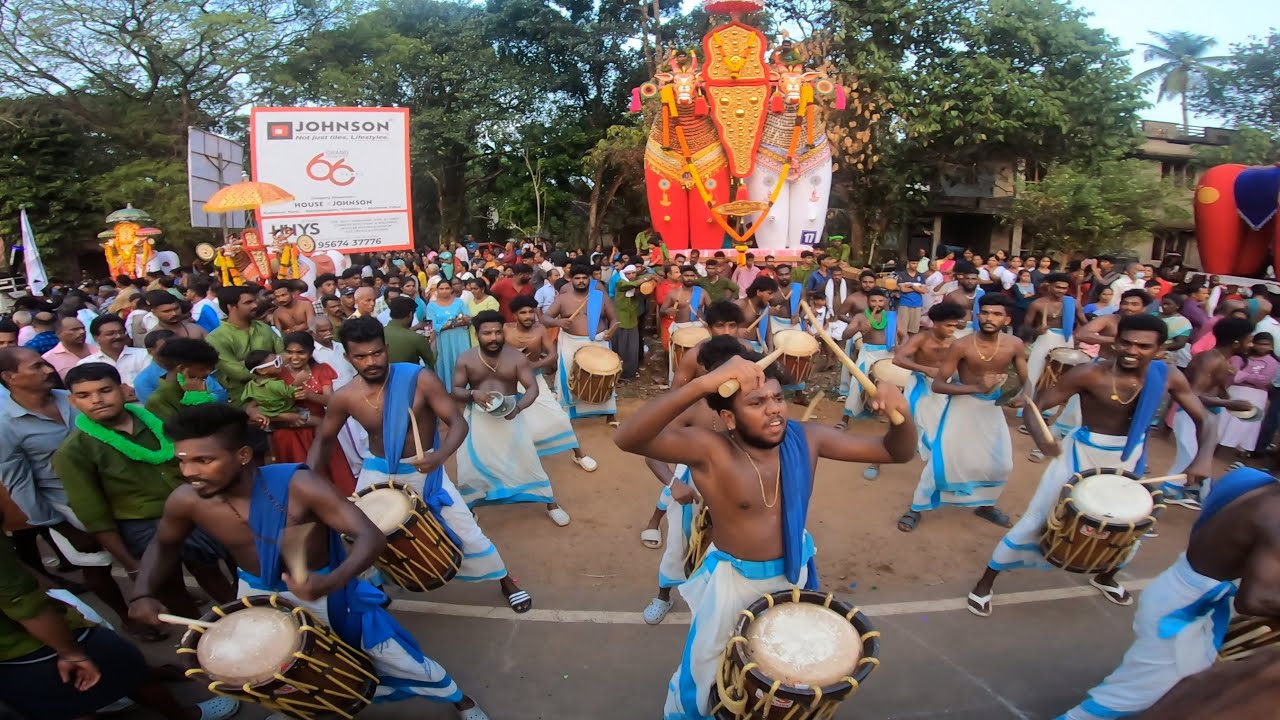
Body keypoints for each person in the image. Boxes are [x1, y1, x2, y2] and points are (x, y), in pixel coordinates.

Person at [614, 336, 916, 719]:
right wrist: (702, 384)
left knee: (790, 682)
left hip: (795, 574)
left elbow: (896, 451)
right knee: (707, 674)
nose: (774, 411)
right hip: (734, 584)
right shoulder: (711, 450)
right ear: (728, 418)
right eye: (756, 403)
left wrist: (900, 414)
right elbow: (627, 438)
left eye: (777, 398)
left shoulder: (807, 438)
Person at [127, 404, 491, 720]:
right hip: (257, 591)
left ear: (241, 455)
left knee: (398, 659)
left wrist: (331, 583)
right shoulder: (185, 500)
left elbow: (370, 536)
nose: (190, 471)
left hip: (329, 591)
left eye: (204, 460)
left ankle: (459, 699)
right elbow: (165, 544)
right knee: (274, 673)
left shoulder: (300, 486)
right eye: (183, 461)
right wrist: (142, 592)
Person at [967, 315, 1214, 616]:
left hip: (1129, 458)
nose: (1132, 351)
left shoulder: (1169, 376)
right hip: (1080, 454)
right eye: (1126, 342)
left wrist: (1202, 459)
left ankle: (1106, 575)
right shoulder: (1089, 373)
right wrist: (1040, 438)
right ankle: (986, 582)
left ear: (1161, 348)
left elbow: (1206, 419)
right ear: (1116, 340)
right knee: (1038, 517)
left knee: (1128, 523)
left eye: (1144, 346)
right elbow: (1036, 406)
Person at [308, 316, 532, 612]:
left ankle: (505, 581)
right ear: (348, 357)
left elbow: (456, 424)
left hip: (424, 468)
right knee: (361, 533)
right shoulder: (344, 397)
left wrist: (439, 457)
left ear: (386, 348)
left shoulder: (418, 379)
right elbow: (324, 440)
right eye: (360, 357)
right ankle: (376, 589)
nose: (371, 361)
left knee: (465, 528)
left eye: (377, 353)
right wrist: (308, 481)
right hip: (376, 471)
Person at [1054, 466, 1280, 719]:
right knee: (1122, 700)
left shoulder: (1250, 479)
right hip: (1181, 615)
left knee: (1174, 685)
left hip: (1179, 595)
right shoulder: (1275, 517)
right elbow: (1253, 600)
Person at [0, 347, 158, 639]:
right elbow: (18, 482)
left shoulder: (71, 399)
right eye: (36, 367)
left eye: (45, 364)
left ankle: (155, 596)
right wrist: (58, 526)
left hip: (117, 493)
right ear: (9, 377)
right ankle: (128, 617)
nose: (48, 370)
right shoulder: (4, 423)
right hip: (66, 506)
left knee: (140, 551)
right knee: (97, 565)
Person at [0, 529, 239, 720]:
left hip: (15, 652)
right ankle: (182, 715)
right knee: (124, 669)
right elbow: (22, 602)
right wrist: (71, 653)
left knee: (112, 676)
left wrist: (53, 593)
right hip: (27, 645)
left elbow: (17, 571)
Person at [55, 363, 234, 613]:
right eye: (84, 395)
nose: (97, 400)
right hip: (141, 525)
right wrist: (129, 563)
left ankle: (244, 620)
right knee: (171, 591)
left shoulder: (156, 422)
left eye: (105, 390)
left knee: (213, 573)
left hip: (191, 511)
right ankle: (196, 641)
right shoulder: (73, 451)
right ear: (73, 401)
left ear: (123, 389)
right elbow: (94, 515)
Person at [919, 294, 1029, 529]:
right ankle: (916, 507)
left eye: (997, 314)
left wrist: (1021, 396)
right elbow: (939, 384)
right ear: (978, 315)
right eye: (986, 312)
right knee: (944, 460)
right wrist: (975, 387)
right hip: (962, 406)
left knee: (1000, 464)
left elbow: (1025, 380)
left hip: (992, 409)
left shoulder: (1014, 344)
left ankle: (987, 505)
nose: (990, 318)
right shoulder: (962, 344)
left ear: (1007, 319)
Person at [451, 311, 570, 526]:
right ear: (476, 333)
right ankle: (470, 508)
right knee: (470, 467)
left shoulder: (516, 357)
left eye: (498, 332)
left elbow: (532, 388)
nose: (493, 337)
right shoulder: (466, 359)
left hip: (511, 415)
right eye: (487, 333)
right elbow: (456, 390)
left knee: (528, 460)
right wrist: (473, 394)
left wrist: (519, 407)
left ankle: (550, 502)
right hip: (478, 419)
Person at [892, 301, 968, 532]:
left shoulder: (957, 342)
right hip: (920, 386)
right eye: (948, 325)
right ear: (935, 323)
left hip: (943, 389)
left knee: (939, 436)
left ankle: (937, 476)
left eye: (955, 325)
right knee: (903, 423)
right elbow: (898, 358)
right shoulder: (922, 339)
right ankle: (879, 459)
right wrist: (926, 370)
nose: (952, 329)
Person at [1165, 317, 1257, 508]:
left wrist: (1230, 403)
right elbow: (1193, 394)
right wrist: (1230, 403)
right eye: (1249, 339)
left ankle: (1198, 493)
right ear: (1236, 342)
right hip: (1192, 415)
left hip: (1206, 415)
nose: (1252, 344)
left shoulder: (1222, 360)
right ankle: (1166, 491)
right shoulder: (1210, 360)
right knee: (1190, 456)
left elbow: (1216, 389)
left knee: (1199, 455)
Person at [504, 295, 597, 470]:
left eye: (531, 312)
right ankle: (514, 461)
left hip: (535, 380)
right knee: (512, 421)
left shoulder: (540, 330)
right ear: (515, 315)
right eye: (523, 312)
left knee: (559, 417)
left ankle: (579, 455)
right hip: (508, 382)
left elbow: (552, 355)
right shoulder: (504, 330)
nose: (528, 316)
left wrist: (533, 365)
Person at [277, 332, 359, 495]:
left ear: (310, 352)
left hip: (319, 432)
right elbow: (269, 404)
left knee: (333, 478)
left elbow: (330, 401)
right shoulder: (277, 374)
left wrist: (309, 395)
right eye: (290, 352)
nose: (295, 357)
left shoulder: (321, 370)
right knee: (298, 480)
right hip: (289, 433)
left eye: (300, 352)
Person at [543, 264, 619, 424]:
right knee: (571, 376)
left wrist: (612, 330)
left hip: (597, 342)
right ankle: (570, 413)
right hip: (571, 343)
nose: (581, 281)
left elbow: (613, 318)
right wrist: (558, 322)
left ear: (589, 279)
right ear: (571, 280)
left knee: (604, 376)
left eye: (585, 278)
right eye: (577, 278)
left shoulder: (600, 296)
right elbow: (545, 318)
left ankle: (609, 413)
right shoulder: (563, 299)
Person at [838, 289, 906, 438]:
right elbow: (844, 335)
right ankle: (845, 418)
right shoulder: (861, 317)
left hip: (888, 354)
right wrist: (858, 328)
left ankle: (893, 421)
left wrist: (900, 347)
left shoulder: (891, 317)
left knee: (893, 386)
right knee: (857, 383)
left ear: (885, 302)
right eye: (874, 301)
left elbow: (904, 336)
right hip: (868, 353)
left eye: (881, 301)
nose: (878, 304)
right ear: (867, 302)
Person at [205, 286, 283, 405]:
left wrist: (249, 364)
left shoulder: (264, 328)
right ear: (231, 307)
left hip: (278, 391)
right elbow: (239, 373)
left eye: (254, 301)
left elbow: (284, 357)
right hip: (243, 398)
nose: (255, 306)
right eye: (248, 303)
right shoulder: (216, 338)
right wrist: (273, 366)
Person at [1023, 272, 1084, 396]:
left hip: (1067, 339)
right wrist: (1037, 331)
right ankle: (1026, 400)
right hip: (1045, 338)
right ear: (1049, 286)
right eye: (1058, 287)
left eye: (1064, 288)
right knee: (1035, 369)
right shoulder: (1037, 304)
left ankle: (1049, 406)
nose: (1061, 291)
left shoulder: (1072, 303)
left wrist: (1077, 335)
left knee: (1059, 373)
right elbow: (1025, 327)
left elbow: (1084, 322)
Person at [1217, 332, 1278, 454]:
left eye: (1266, 344)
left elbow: (1264, 380)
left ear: (1271, 347)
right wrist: (1250, 377)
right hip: (1235, 390)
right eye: (1259, 344)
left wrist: (1242, 375)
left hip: (1256, 395)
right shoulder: (1241, 357)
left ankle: (1241, 452)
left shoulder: (1272, 362)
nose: (1262, 347)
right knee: (1224, 419)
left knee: (1246, 423)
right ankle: (1215, 446)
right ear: (1253, 344)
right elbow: (1232, 373)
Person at [143, 338, 227, 421]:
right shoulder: (158, 400)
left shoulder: (200, 383)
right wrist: (196, 396)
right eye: (203, 369)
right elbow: (193, 426)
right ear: (182, 368)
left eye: (211, 368)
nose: (209, 372)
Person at [671, 301, 747, 388]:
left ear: (738, 328)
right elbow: (674, 393)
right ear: (709, 329)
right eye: (720, 326)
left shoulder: (746, 350)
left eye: (732, 326)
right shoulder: (694, 356)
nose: (727, 332)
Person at [661, 265, 710, 386]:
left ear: (695, 277)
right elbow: (662, 311)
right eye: (686, 276)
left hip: (699, 330)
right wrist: (667, 311)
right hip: (680, 329)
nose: (689, 278)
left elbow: (712, 310)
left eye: (692, 276)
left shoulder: (702, 292)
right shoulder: (673, 294)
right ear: (681, 277)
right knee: (680, 361)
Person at [423, 277, 471, 393]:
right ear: (437, 290)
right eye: (441, 288)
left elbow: (468, 317)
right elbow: (432, 325)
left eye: (447, 288)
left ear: (451, 289)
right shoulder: (431, 306)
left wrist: (464, 320)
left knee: (461, 360)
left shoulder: (459, 302)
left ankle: (465, 388)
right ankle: (448, 390)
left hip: (460, 337)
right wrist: (447, 325)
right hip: (443, 339)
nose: (444, 291)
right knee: (446, 361)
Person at [612, 263, 653, 382]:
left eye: (633, 273)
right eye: (628, 273)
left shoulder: (636, 287)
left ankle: (629, 373)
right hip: (621, 320)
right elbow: (632, 284)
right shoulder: (621, 283)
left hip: (632, 320)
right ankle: (618, 372)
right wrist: (647, 278)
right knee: (621, 347)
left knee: (632, 348)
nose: (631, 275)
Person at [383, 296, 435, 367]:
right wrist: (433, 340)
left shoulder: (379, 333)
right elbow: (432, 361)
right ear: (410, 314)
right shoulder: (416, 338)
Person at [42, 315, 96, 380]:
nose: (82, 332)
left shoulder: (98, 350)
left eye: (83, 328)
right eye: (74, 329)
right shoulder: (48, 359)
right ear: (58, 333)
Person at [943, 261, 984, 336]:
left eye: (973, 279)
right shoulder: (953, 295)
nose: (970, 281)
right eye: (967, 278)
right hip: (958, 331)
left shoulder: (982, 294)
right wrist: (955, 321)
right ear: (963, 279)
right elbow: (942, 313)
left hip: (979, 330)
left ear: (978, 280)